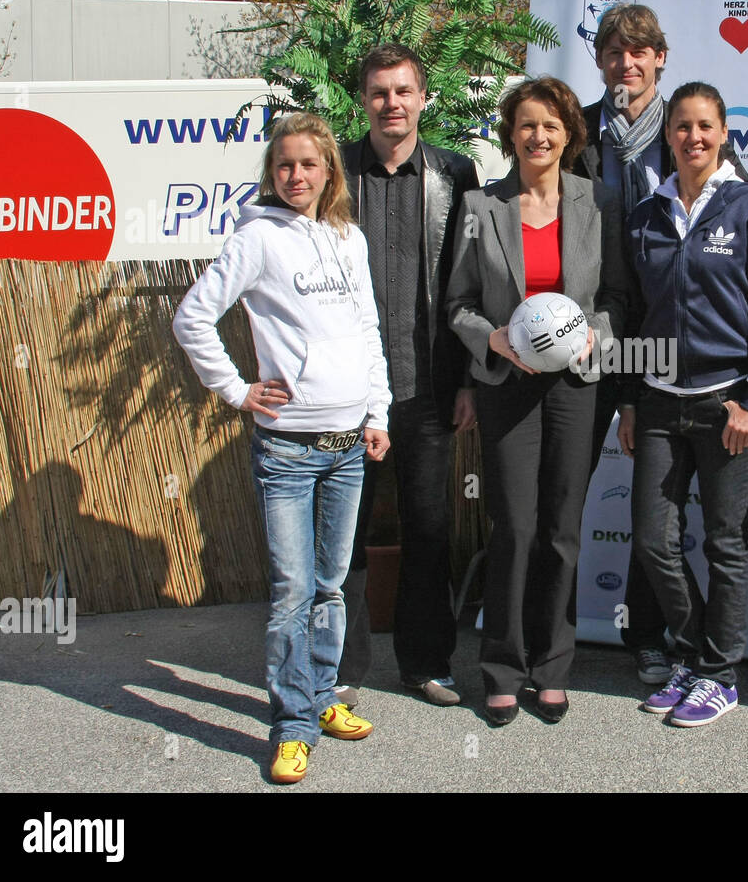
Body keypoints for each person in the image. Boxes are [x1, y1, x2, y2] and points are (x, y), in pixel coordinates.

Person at [172, 112, 391, 784]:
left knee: (330, 587)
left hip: (350, 445)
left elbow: (367, 329)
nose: (296, 175)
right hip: (288, 452)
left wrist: (377, 410)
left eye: (308, 163)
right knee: (294, 591)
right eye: (284, 165)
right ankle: (291, 726)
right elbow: (191, 317)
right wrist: (237, 390)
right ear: (272, 173)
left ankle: (323, 697)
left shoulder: (347, 237)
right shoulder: (257, 239)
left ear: (329, 170)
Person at [571, 3, 748, 687]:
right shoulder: (582, 133)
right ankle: (575, 642)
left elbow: (734, 224)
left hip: (671, 323)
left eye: (639, 51)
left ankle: (663, 639)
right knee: (626, 506)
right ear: (601, 62)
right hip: (598, 316)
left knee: (669, 510)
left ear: (661, 58)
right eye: (614, 52)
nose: (627, 63)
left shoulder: (689, 128)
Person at [446, 76, 626, 726]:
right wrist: (491, 337)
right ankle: (502, 668)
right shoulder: (480, 205)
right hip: (506, 386)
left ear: (569, 133)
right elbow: (457, 303)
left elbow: (616, 299)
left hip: (575, 387)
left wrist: (594, 340)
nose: (539, 136)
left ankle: (552, 668)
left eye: (551, 125)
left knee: (561, 532)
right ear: (511, 133)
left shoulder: (598, 201)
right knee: (515, 529)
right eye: (527, 124)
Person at [618, 81, 748, 728]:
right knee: (653, 539)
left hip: (727, 407)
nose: (693, 137)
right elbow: (636, 316)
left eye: (705, 127)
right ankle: (694, 655)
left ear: (724, 135)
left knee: (725, 543)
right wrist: (632, 400)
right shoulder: (646, 215)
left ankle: (720, 675)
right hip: (660, 403)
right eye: (682, 126)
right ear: (668, 135)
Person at [337, 44, 479, 710]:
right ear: (362, 99)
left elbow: (475, 282)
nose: (391, 103)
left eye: (403, 91)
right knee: (343, 536)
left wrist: (470, 382)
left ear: (424, 98)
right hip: (345, 393)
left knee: (429, 531)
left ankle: (426, 662)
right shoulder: (333, 171)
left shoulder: (457, 173)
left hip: (427, 388)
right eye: (378, 92)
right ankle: (336, 667)